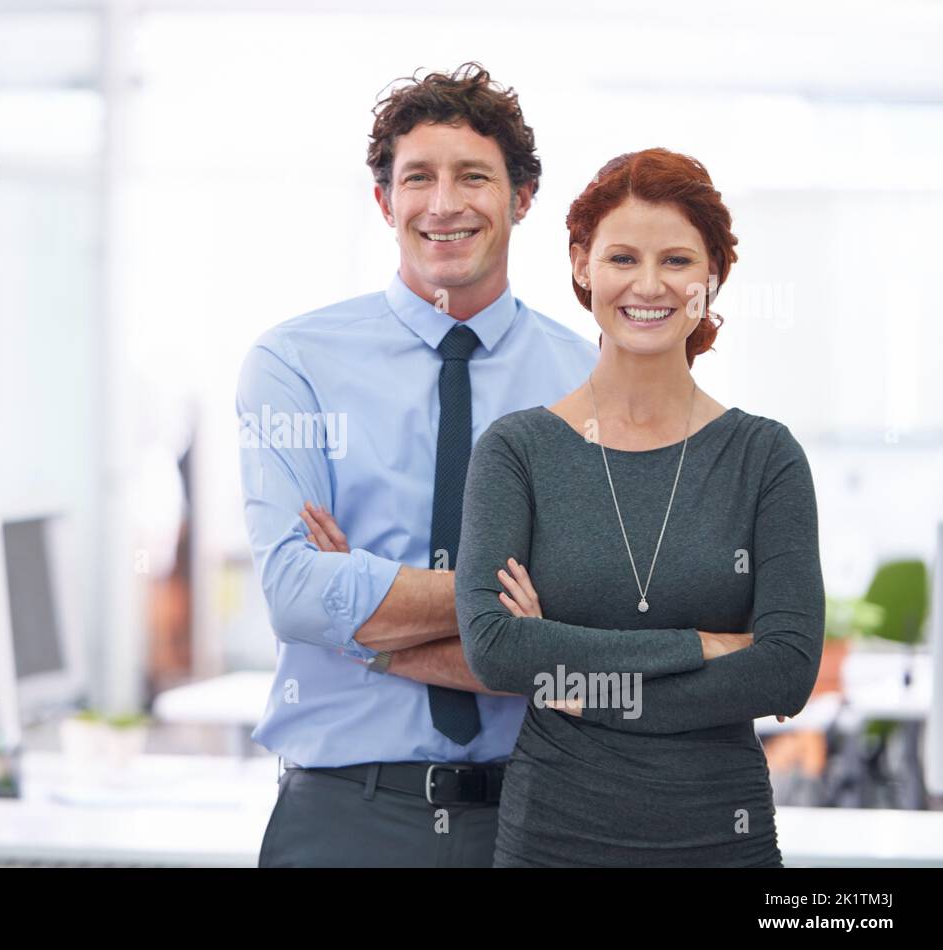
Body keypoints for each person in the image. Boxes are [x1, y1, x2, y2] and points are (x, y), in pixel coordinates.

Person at [235, 63, 598, 867]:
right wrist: (509, 607)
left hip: (541, 816)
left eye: (474, 176)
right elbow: (296, 594)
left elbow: (597, 637)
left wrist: (365, 622)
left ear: (522, 198)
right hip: (344, 819)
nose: (444, 204)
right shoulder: (294, 364)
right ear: (383, 200)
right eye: (418, 178)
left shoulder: (592, 381)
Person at [454, 147, 826, 866]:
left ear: (711, 278)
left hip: (721, 837)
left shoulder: (766, 458)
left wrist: (570, 676)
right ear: (581, 264)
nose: (648, 285)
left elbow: (785, 671)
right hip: (553, 837)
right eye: (622, 257)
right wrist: (703, 646)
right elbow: (497, 649)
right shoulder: (517, 451)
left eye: (678, 261)